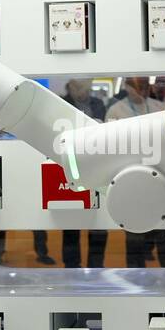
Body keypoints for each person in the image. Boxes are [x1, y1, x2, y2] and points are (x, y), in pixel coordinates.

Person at [106, 78, 165, 268]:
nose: (142, 91)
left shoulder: (160, 107)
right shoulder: (116, 111)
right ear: (127, 87)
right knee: (134, 232)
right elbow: (109, 147)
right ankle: (135, 275)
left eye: (145, 87)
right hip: (130, 179)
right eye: (137, 87)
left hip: (161, 174)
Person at [61, 78, 107, 269]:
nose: (82, 91)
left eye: (84, 87)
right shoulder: (62, 103)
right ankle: (71, 267)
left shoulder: (98, 103)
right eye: (77, 87)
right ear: (70, 86)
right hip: (70, 164)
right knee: (71, 220)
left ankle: (96, 266)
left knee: (98, 221)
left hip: (98, 164)